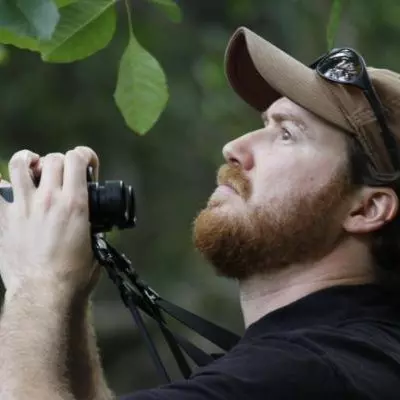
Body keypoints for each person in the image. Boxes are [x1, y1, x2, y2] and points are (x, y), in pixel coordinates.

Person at [2, 26, 400, 400]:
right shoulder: (353, 357)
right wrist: (68, 296)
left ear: (367, 208)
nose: (235, 146)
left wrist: (36, 279)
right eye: (263, 123)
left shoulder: (307, 371)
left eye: (287, 133)